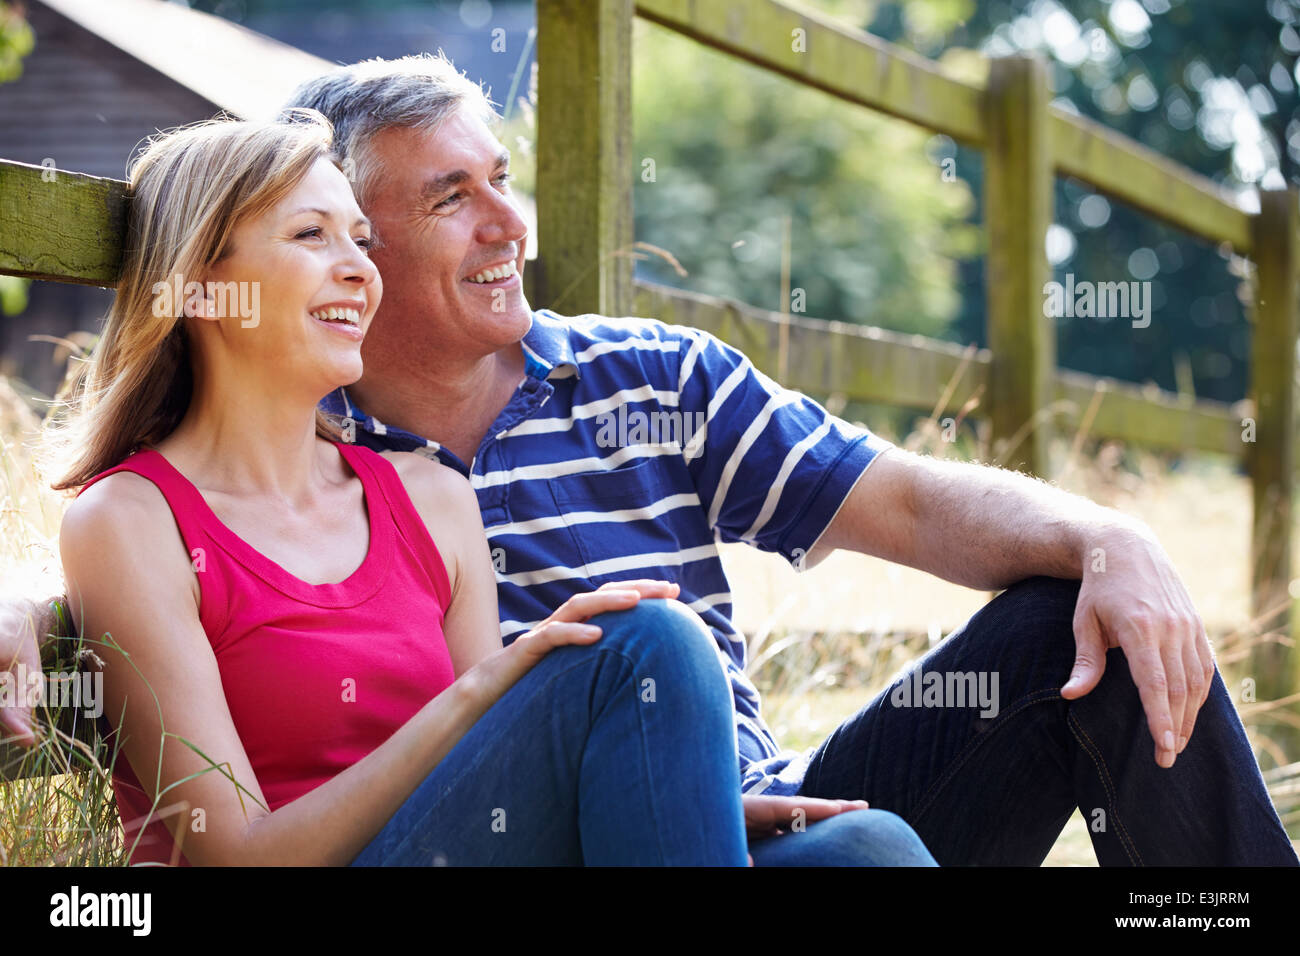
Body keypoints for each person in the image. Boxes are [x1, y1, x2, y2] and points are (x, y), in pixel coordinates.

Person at [4, 50, 1295, 865]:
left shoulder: (644, 379)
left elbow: (903, 498)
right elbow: (225, 558)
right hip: (549, 829)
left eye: (503, 179)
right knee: (672, 664)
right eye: (450, 197)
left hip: (761, 809)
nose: (511, 223)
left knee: (1077, 632)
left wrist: (1108, 538)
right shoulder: (323, 431)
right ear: (352, 251)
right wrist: (41, 612)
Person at [29, 111, 927, 867]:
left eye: (361, 237)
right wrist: (480, 690)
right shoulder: (130, 520)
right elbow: (234, 852)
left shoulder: (429, 498)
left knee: (865, 849)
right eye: (311, 236)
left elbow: (502, 783)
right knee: (643, 639)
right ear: (200, 285)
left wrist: (684, 802)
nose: (358, 268)